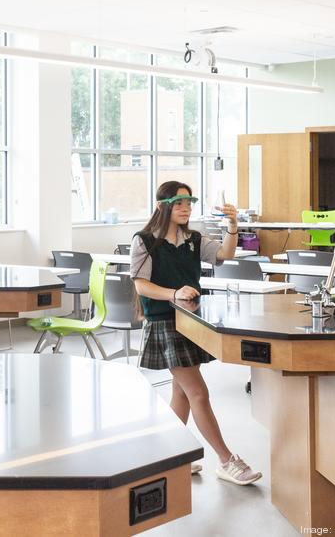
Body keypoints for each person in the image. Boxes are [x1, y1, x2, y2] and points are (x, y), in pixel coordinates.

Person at [129, 180, 261, 485]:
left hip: (191, 322)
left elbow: (225, 254)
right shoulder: (145, 241)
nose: (186, 208)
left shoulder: (194, 239)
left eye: (189, 203)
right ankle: (227, 461)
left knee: (183, 393)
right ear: (163, 206)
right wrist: (175, 293)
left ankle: (172, 457)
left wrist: (233, 224)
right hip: (165, 322)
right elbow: (141, 285)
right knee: (198, 392)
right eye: (179, 203)